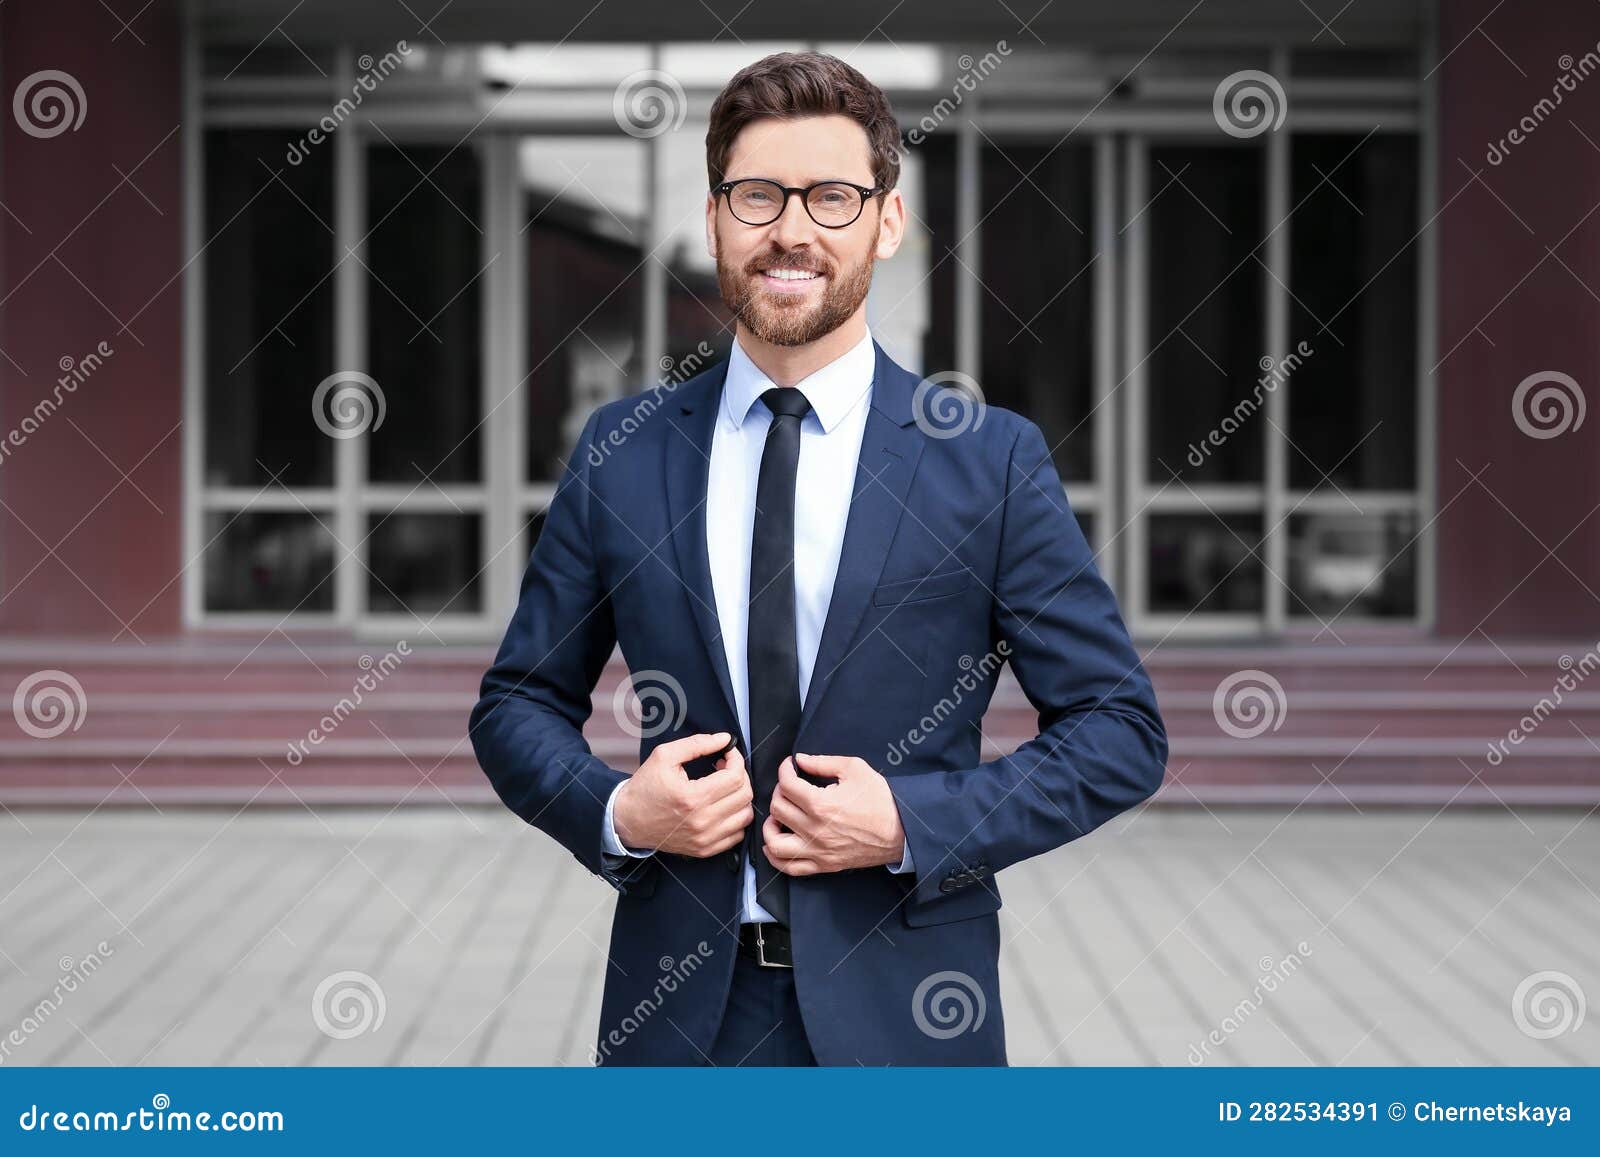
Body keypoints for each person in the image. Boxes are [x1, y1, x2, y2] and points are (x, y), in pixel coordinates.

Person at [469, 50, 1167, 1066]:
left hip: (911, 1015)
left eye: (831, 197)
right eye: (758, 196)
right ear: (713, 220)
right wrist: (617, 807)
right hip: (678, 1021)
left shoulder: (986, 459)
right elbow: (516, 701)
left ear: (886, 222)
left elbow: (1119, 730)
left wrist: (909, 822)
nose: (792, 229)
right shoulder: (621, 452)